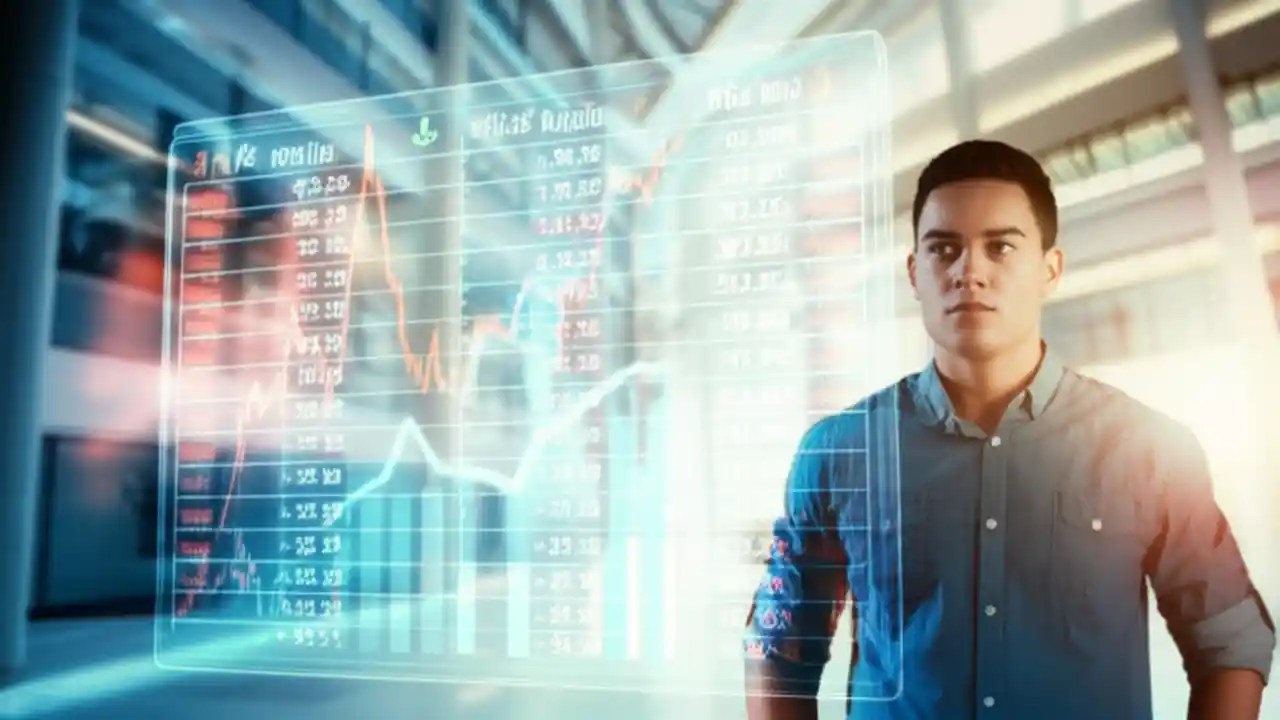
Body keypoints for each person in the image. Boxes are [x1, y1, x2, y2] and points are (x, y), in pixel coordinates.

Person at [742, 139, 1275, 719]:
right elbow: (780, 647)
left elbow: (1229, 640)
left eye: (1000, 247)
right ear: (915, 272)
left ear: (1051, 269)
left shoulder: (1150, 450)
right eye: (944, 249)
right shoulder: (839, 453)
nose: (970, 272)